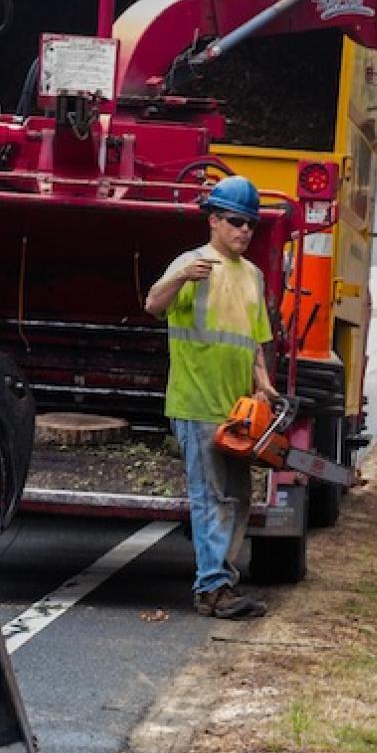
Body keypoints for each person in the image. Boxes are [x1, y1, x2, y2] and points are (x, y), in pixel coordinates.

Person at [144, 176, 278, 619]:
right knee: (210, 497)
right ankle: (212, 588)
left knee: (238, 498)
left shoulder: (254, 277)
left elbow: (254, 340)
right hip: (196, 404)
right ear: (214, 221)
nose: (244, 231)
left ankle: (220, 580)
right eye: (236, 222)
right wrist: (181, 276)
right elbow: (153, 305)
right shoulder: (191, 265)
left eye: (251, 225)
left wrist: (262, 382)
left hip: (236, 410)